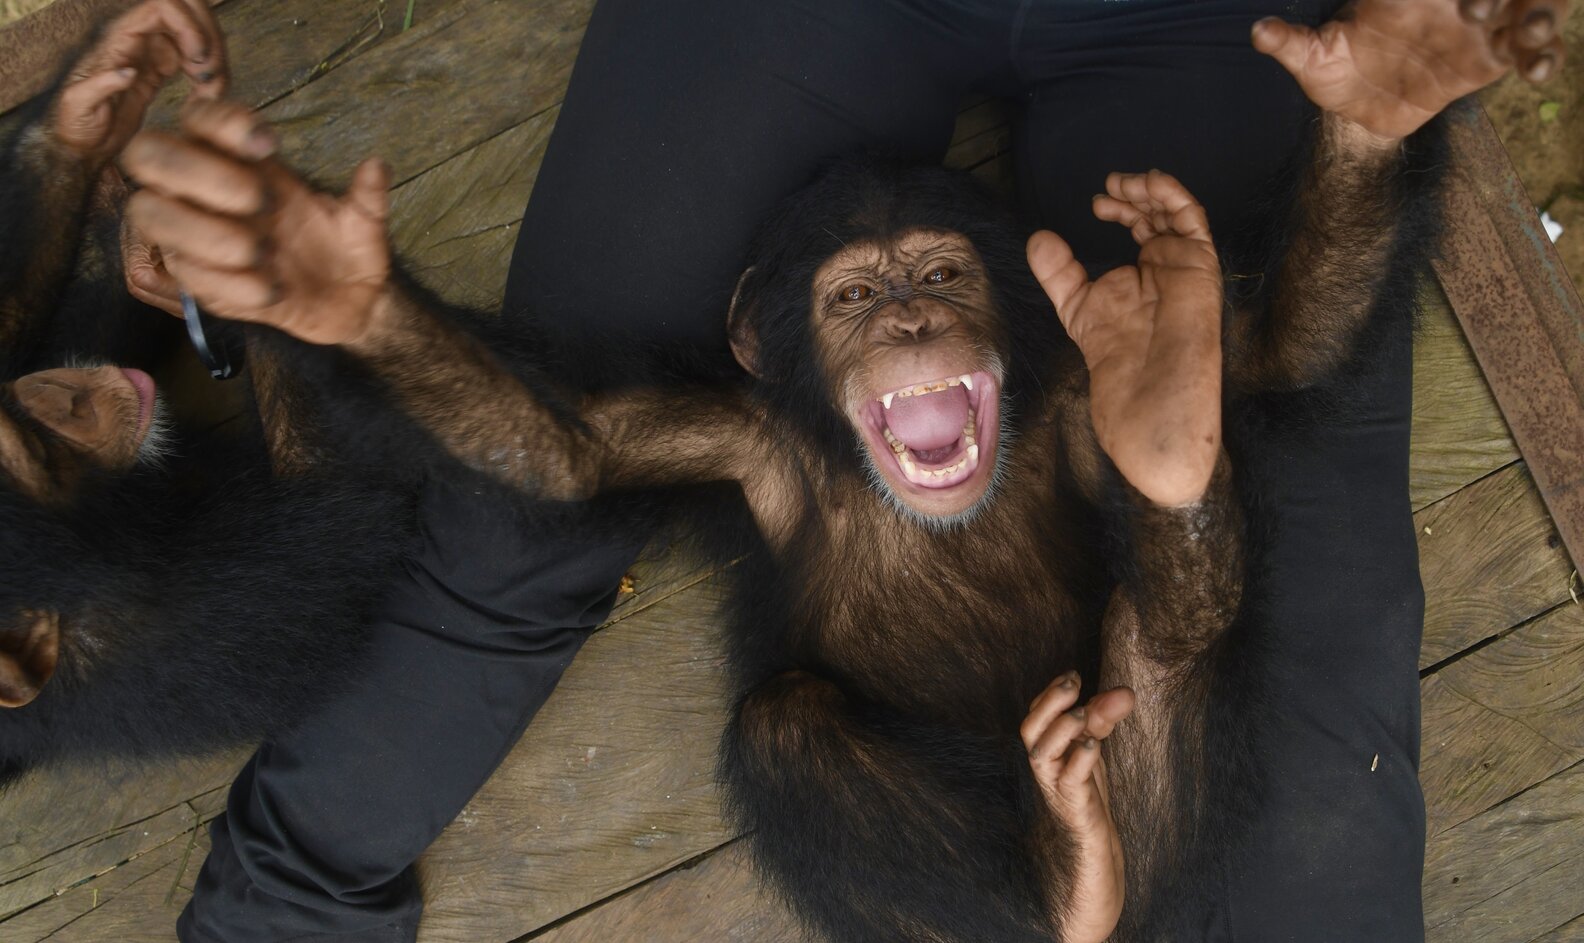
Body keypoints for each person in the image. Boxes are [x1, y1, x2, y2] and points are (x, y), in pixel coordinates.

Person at [119, 0, 1566, 939]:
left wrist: (1365, 144)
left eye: (941, 283)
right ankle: (284, 900)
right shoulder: (772, 439)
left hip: (1175, 85)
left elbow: (1295, 349)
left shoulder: (1053, 384)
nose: (915, 318)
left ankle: (1174, 520)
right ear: (764, 345)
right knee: (567, 546)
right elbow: (556, 445)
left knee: (1256, 479)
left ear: (1014, 310)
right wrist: (373, 322)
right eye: (868, 304)